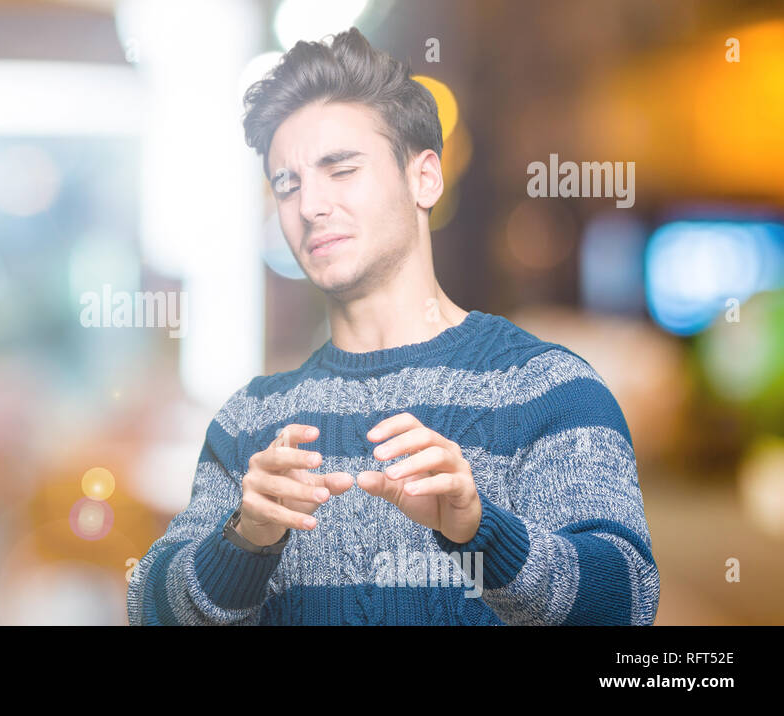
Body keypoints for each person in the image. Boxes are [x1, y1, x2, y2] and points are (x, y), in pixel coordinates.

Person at [126, 27, 659, 625]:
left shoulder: (549, 390)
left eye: (341, 169)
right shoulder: (250, 422)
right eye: (287, 183)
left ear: (424, 178)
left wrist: (483, 533)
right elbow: (149, 611)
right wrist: (242, 543)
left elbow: (628, 604)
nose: (308, 206)